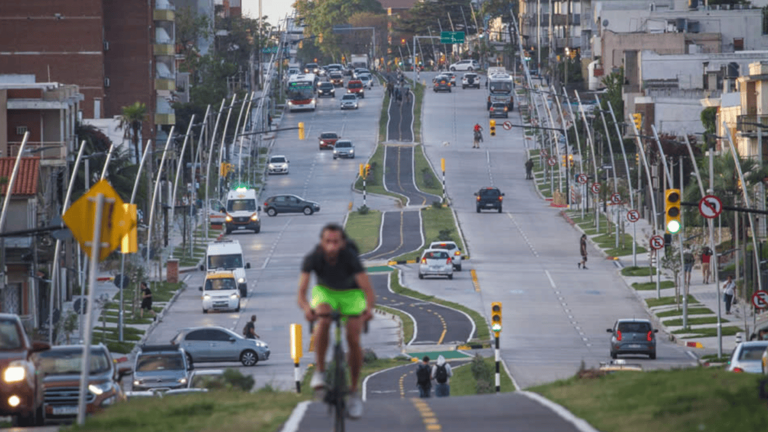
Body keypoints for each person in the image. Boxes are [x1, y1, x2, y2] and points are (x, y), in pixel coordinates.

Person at [297, 223, 375, 419]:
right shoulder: (313, 258)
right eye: (328, 242)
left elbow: (368, 290)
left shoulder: (350, 258)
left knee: (353, 338)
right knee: (323, 320)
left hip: (352, 293)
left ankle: (354, 390)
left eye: (336, 242)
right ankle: (321, 372)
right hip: (326, 293)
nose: (331, 246)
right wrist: (307, 309)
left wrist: (368, 310)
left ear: (342, 243)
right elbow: (301, 292)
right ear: (321, 242)